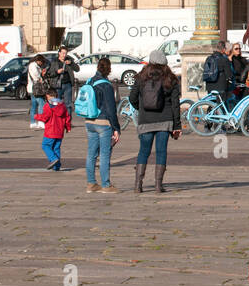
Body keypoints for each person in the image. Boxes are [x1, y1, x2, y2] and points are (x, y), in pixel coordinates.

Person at [129, 50, 182, 193]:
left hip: (145, 120)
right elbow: (175, 104)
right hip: (164, 121)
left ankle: (138, 185)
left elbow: (132, 98)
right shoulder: (170, 79)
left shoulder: (141, 77)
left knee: (143, 152)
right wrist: (177, 126)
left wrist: (141, 109)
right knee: (161, 152)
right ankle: (158, 185)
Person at [79, 56, 121, 193]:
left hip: (89, 121)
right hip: (103, 123)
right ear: (109, 69)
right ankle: (106, 185)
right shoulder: (106, 85)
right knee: (104, 154)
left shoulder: (90, 81)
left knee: (91, 154)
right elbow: (110, 109)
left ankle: (91, 184)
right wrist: (116, 128)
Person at [34, 91, 72, 171]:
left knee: (45, 145)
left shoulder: (48, 105)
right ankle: (56, 166)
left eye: (47, 97)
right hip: (60, 131)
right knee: (56, 148)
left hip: (50, 131)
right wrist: (68, 127)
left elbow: (45, 117)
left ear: (50, 96)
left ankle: (53, 159)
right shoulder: (62, 105)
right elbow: (67, 118)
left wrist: (36, 116)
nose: (46, 99)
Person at [53, 47, 79, 112]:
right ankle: (58, 120)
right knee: (57, 104)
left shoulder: (68, 60)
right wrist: (57, 72)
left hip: (68, 85)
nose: (64, 55)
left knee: (68, 104)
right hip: (58, 85)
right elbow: (50, 73)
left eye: (66, 53)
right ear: (59, 53)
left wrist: (71, 63)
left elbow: (77, 69)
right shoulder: (55, 61)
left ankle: (68, 121)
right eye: (63, 53)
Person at [27, 54, 49, 130]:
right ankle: (40, 122)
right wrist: (42, 75)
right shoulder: (33, 66)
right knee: (41, 104)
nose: (42, 64)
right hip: (36, 88)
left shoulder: (33, 65)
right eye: (41, 62)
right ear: (38, 61)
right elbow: (36, 76)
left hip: (32, 88)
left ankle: (33, 122)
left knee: (34, 106)